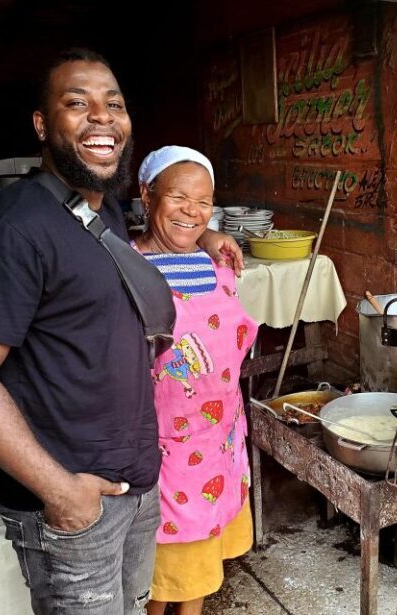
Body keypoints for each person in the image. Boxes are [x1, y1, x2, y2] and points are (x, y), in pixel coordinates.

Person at [0, 50, 241, 615]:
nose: (101, 117)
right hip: (73, 506)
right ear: (42, 125)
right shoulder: (10, 228)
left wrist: (210, 236)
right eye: (77, 103)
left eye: (113, 105)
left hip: (139, 488)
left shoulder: (104, 213)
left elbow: (171, 220)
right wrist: (60, 491)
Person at [131, 146, 258, 615]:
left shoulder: (219, 264)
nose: (192, 211)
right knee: (158, 572)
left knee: (199, 566)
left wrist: (209, 236)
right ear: (147, 195)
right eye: (178, 197)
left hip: (219, 441)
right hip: (161, 448)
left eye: (203, 201)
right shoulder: (123, 267)